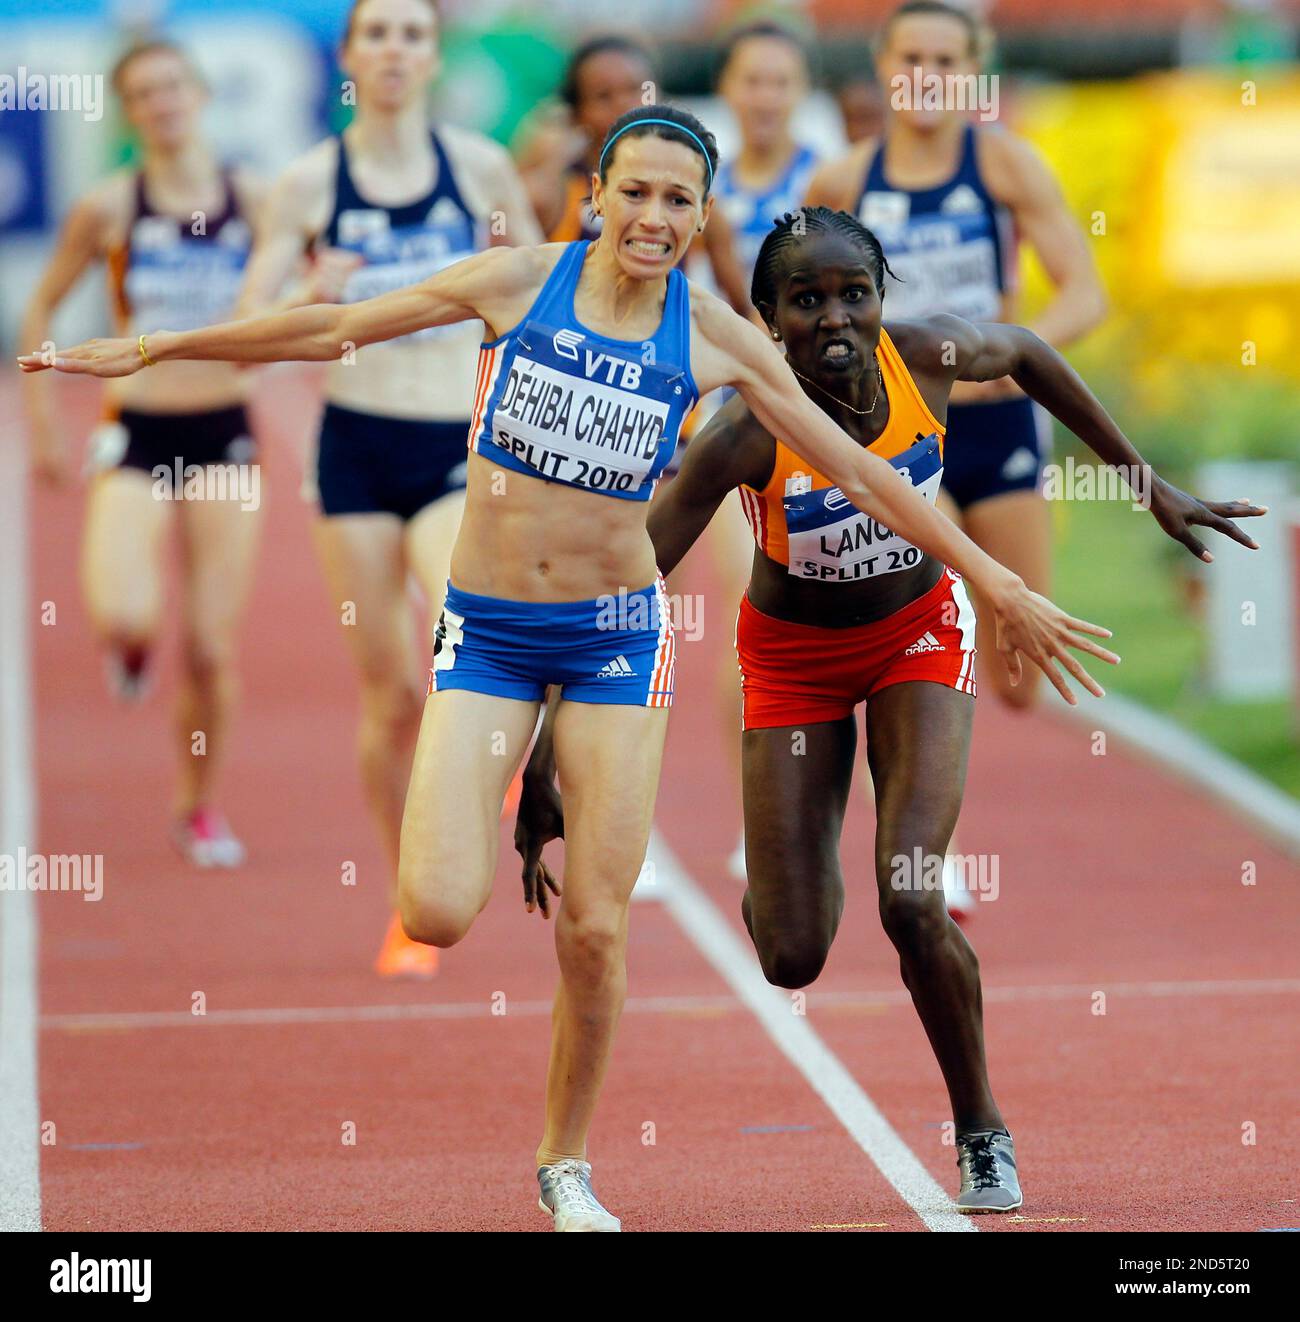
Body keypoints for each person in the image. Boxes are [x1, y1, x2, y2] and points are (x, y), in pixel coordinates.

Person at [21, 105, 1124, 1233]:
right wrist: (157, 348)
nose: (652, 216)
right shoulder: (517, 280)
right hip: (493, 629)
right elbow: (335, 326)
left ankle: (566, 1163)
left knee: (596, 924)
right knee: (438, 908)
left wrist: (997, 581)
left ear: (701, 221)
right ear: (596, 195)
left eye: (677, 200)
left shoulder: (718, 340)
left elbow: (865, 468)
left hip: (615, 634)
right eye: (633, 192)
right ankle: (542, 854)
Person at [513, 207, 1262, 1214]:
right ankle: (785, 868)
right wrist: (547, 749)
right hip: (790, 665)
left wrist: (1146, 482)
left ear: (879, 300)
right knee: (791, 952)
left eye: (851, 294)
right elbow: (632, 586)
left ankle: (980, 1125)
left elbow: (1031, 350)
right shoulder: (744, 434)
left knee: (911, 893)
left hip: (916, 638)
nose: (834, 318)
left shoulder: (926, 357)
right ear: (769, 321)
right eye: (806, 301)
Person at [233, 0, 542, 976]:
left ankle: (501, 769)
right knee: (391, 692)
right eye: (378, 33)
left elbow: (538, 290)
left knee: (467, 621)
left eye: (413, 32)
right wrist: (309, 294)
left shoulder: (478, 169)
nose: (396, 49)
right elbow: (253, 324)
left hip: (455, 444)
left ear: (432, 53)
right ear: (352, 54)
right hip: (355, 452)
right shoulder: (309, 181)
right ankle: (409, 890)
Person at [806, 0, 1111, 914]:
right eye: (913, 56)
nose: (928, 74)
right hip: (896, 437)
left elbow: (1085, 294)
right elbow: (800, 308)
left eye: (947, 58)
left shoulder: (1005, 163)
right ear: (884, 65)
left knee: (1018, 679)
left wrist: (1013, 357)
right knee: (914, 640)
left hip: (998, 427)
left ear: (972, 70)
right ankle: (925, 847)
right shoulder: (845, 177)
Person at [19, 39, 267, 866]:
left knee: (210, 647)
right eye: (142, 93)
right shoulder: (110, 207)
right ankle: (129, 650)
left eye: (172, 87)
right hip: (135, 433)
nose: (161, 103)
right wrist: (46, 420)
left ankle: (198, 805)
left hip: (224, 432)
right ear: (129, 112)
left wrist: (308, 293)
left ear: (198, 94)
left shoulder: (254, 199)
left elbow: (306, 293)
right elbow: (42, 308)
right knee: (125, 611)